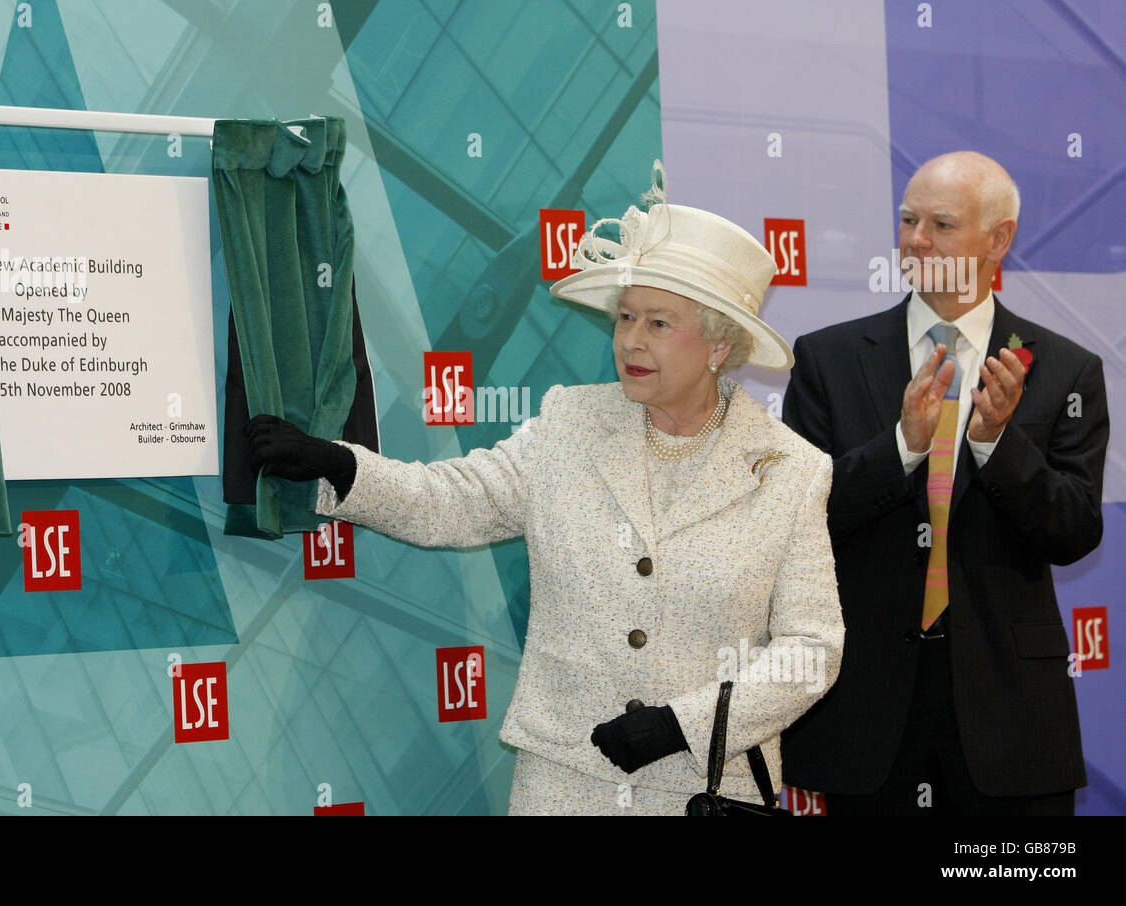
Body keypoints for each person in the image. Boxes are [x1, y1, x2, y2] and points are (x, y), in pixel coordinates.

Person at [247, 163, 844, 815]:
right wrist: (340, 464)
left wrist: (681, 725)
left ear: (720, 348)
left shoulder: (788, 470)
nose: (631, 342)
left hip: (700, 794)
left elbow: (810, 652)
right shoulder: (569, 424)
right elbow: (451, 501)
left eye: (659, 324)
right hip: (561, 786)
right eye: (626, 318)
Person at [780, 151, 1109, 815]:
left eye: (941, 223)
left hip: (1011, 724)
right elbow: (794, 519)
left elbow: (1073, 531)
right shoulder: (827, 358)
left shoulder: (1064, 370)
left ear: (999, 240)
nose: (916, 239)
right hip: (865, 718)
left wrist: (994, 444)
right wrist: (902, 446)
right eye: (907, 220)